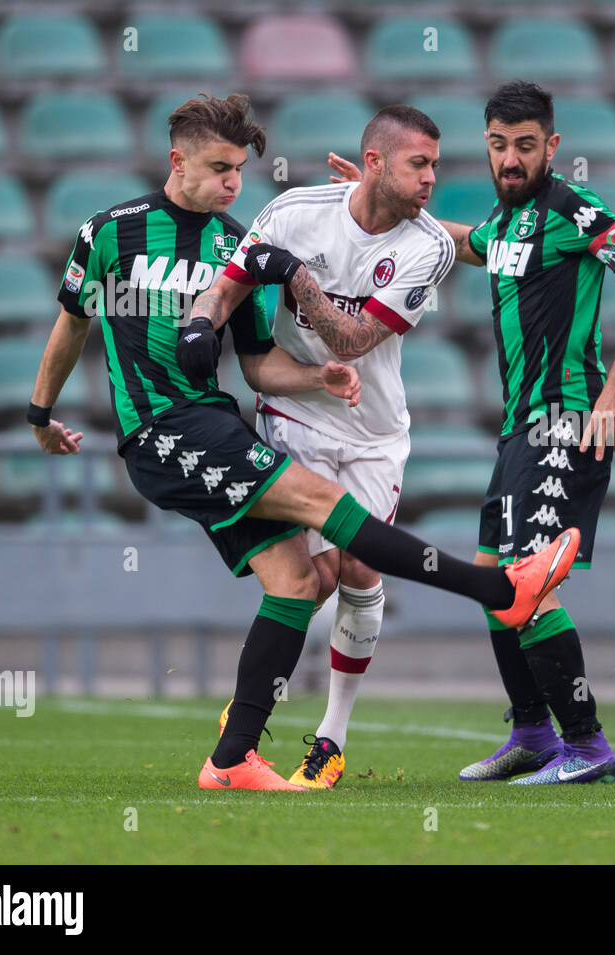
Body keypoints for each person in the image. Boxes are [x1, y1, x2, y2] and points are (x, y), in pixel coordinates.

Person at [30, 93, 578, 792]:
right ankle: (497, 588)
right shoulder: (109, 232)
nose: (234, 182)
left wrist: (319, 368)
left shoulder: (239, 237)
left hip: (225, 420)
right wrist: (39, 410)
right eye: (221, 168)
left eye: (240, 170)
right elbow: (73, 321)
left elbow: (258, 361)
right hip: (161, 427)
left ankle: (231, 758)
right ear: (178, 161)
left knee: (302, 580)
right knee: (327, 510)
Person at [328, 80, 615, 783]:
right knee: (492, 578)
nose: (510, 159)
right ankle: (533, 733)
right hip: (520, 430)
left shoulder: (575, 211)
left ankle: (587, 744)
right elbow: (468, 244)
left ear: (551, 145)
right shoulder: (509, 222)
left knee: (526, 583)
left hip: (565, 421)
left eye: (524, 146)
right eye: (497, 146)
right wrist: (383, 200)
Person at [205, 105, 456, 789]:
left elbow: (349, 340)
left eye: (435, 164)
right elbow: (230, 281)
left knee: (359, 570)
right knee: (311, 576)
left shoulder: (427, 246)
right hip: (297, 410)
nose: (433, 177)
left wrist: (291, 276)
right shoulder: (294, 212)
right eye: (419, 163)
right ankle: (256, 708)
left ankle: (331, 735)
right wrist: (200, 326)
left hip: (374, 430)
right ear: (374, 161)